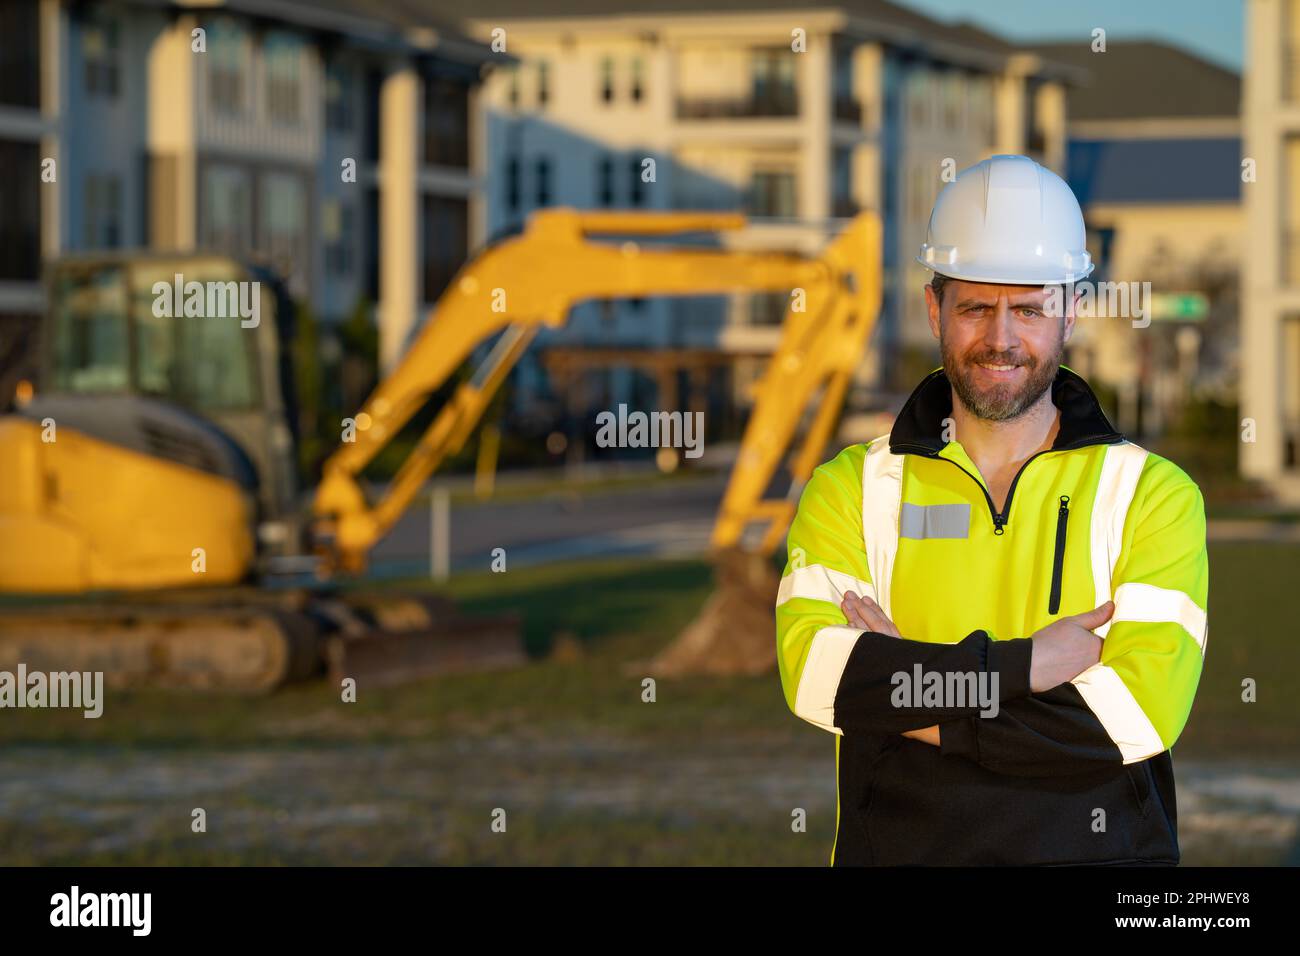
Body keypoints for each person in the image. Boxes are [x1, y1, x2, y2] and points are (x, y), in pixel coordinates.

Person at [775, 154, 1208, 866]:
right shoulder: (850, 488)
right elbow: (822, 680)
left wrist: (909, 699)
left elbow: (1128, 717)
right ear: (933, 309)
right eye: (976, 306)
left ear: (1069, 310)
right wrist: (1026, 665)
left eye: (1029, 308)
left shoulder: (1152, 495)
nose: (1001, 339)